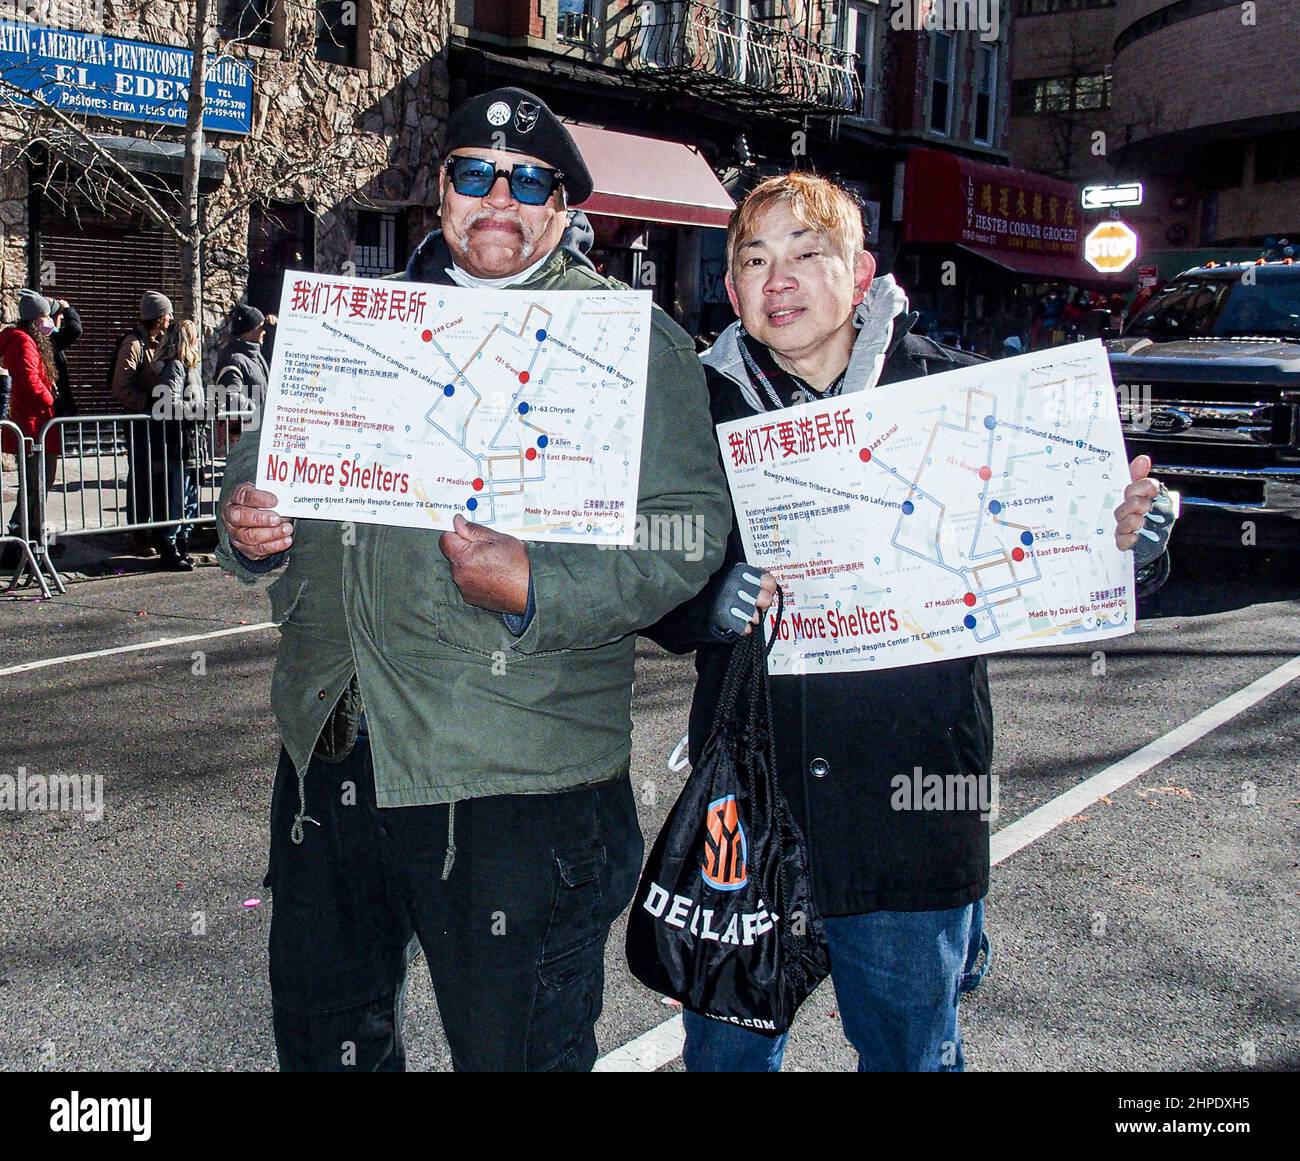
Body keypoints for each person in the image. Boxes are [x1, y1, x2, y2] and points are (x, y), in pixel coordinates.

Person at [216, 86, 730, 1072]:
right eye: (475, 174)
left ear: (563, 209)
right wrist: (249, 521)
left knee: (518, 1054)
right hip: (334, 755)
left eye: (529, 180)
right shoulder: (359, 318)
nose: (501, 195)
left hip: (512, 779)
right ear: (439, 193)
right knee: (327, 1045)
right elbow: (264, 455)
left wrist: (538, 585)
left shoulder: (630, 341)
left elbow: (686, 534)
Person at [644, 172, 1171, 1072]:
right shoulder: (690, 412)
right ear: (730, 289)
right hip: (748, 803)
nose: (780, 280)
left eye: (809, 254)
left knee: (909, 1055)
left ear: (861, 274)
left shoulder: (961, 398)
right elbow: (647, 566)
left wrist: (1131, 542)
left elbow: (1063, 554)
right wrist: (702, 604)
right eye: (755, 259)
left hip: (909, 801)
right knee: (723, 1059)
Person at [110, 291, 174, 557]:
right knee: (141, 478)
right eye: (168, 313)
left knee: (158, 478)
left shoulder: (160, 341)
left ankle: (157, 531)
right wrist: (148, 405)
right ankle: (138, 534)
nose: (171, 318)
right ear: (159, 317)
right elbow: (121, 387)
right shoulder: (134, 344)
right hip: (140, 423)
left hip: (156, 423)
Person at [0, 290, 60, 568]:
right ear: (36, 319)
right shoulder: (23, 342)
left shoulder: (28, 341)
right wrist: (51, 400)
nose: (50, 321)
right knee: (34, 487)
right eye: (46, 316)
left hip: (37, 426)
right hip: (33, 427)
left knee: (38, 486)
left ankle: (32, 540)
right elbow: (28, 382)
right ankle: (20, 541)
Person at [152, 319, 207, 571]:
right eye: (195, 336)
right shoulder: (175, 368)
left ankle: (183, 543)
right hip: (178, 444)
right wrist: (200, 409)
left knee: (190, 499)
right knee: (178, 499)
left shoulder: (191, 368)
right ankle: (171, 546)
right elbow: (166, 404)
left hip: (192, 444)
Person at [214, 303, 274, 444]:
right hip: (244, 440)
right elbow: (229, 397)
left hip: (256, 435)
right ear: (249, 330)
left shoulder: (255, 354)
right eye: (261, 327)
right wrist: (258, 410)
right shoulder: (234, 358)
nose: (264, 331)